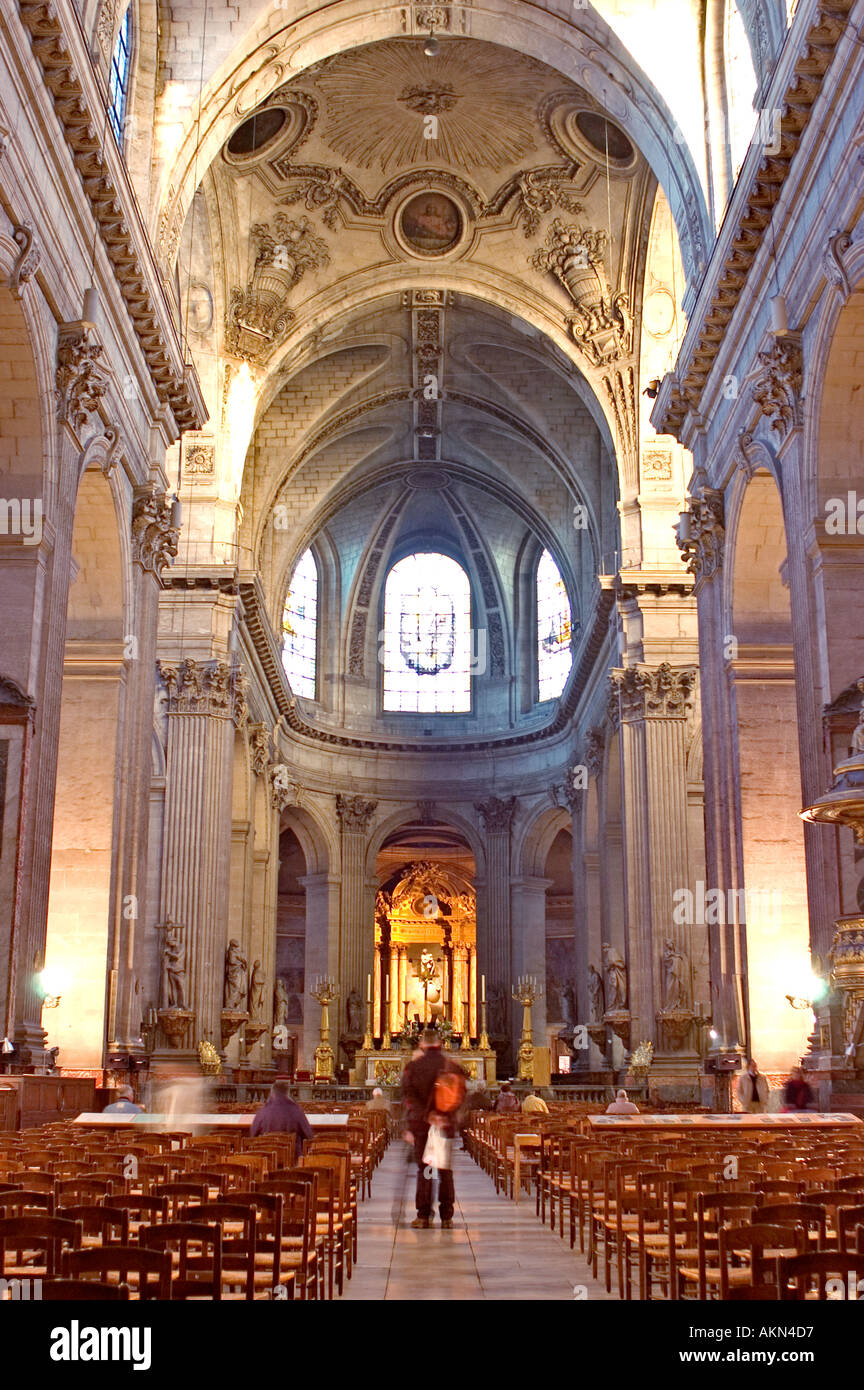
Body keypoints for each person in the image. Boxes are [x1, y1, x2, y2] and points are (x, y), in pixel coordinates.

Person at [401, 1028, 467, 1229]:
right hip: (444, 1126)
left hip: (423, 1126)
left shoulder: (414, 1067)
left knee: (427, 1169)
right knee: (445, 1170)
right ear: (440, 1043)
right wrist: (446, 1115)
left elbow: (408, 1096)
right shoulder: (452, 1067)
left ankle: (424, 1215)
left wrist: (424, 1117)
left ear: (422, 1044)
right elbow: (461, 1095)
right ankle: (447, 1215)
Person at [250, 1080, 314, 1153]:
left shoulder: (262, 1112)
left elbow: (253, 1135)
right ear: (287, 1094)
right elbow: (309, 1136)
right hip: (292, 1159)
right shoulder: (296, 1111)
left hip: (266, 1158)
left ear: (272, 1093)